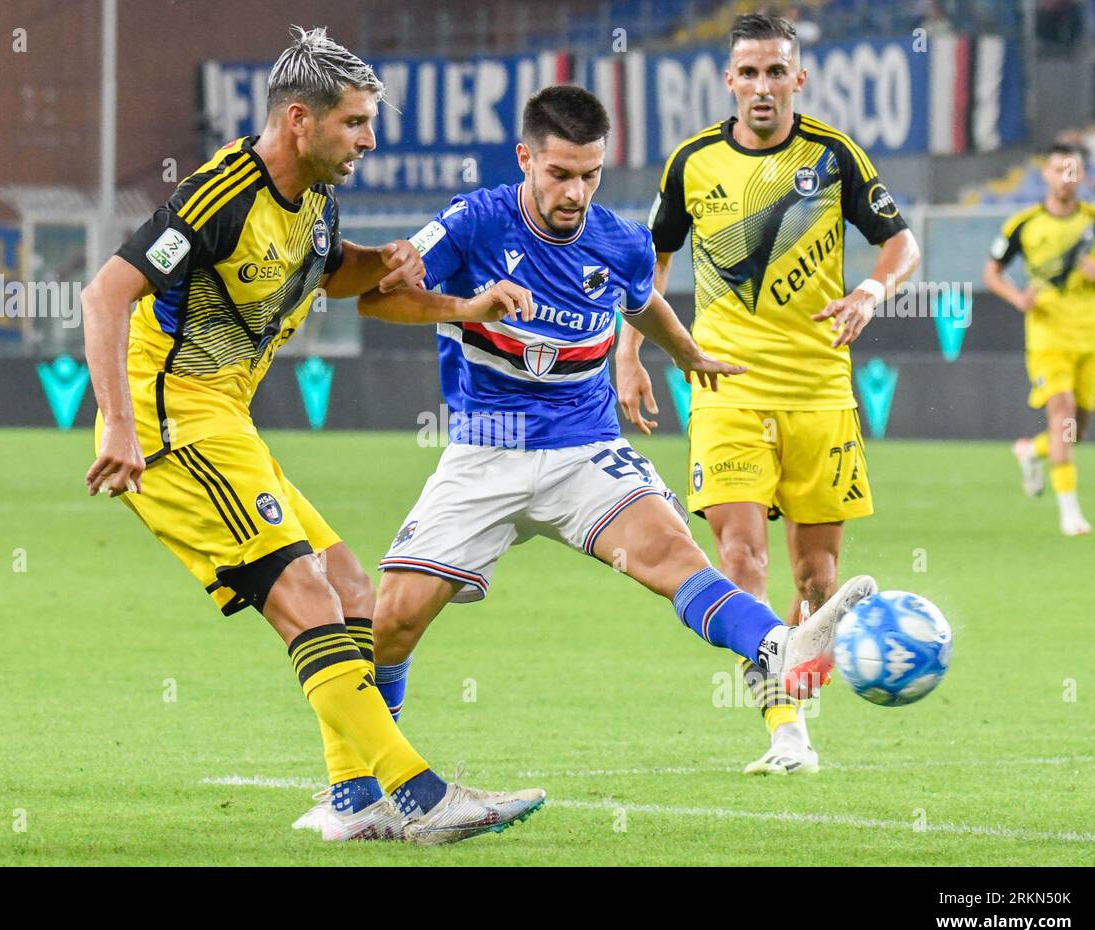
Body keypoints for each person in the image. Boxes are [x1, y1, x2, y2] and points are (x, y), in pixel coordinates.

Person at [292, 83, 879, 836]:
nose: (575, 192)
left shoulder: (621, 240)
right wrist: (469, 308)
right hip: (486, 450)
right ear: (525, 159)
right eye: (561, 174)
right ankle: (357, 792)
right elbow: (377, 296)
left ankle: (779, 645)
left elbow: (643, 300)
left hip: (584, 447)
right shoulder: (476, 221)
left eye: (590, 175)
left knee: (672, 552)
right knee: (393, 625)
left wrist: (689, 352)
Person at [80, 26, 546, 845]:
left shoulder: (318, 201)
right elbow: (105, 295)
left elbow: (337, 277)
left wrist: (426, 283)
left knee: (352, 596)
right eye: (356, 123)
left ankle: (350, 797)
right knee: (304, 602)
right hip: (173, 425)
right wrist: (119, 422)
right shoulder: (217, 196)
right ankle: (422, 795)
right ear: (300, 119)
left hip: (226, 424)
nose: (369, 139)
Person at [617, 13, 920, 775]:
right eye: (747, 72)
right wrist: (630, 351)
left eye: (775, 71)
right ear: (728, 81)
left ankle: (796, 694)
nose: (761, 86)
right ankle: (786, 732)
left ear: (798, 78)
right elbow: (650, 262)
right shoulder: (691, 164)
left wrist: (871, 295)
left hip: (822, 392)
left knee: (816, 581)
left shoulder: (833, 155)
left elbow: (902, 241)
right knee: (741, 558)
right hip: (723, 386)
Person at [987, 141, 1095, 536]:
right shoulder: (1023, 224)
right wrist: (1018, 298)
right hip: (1047, 336)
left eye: (1073, 170)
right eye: (1059, 169)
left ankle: (1031, 450)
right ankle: (1070, 513)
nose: (1066, 177)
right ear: (1046, 173)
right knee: (1061, 413)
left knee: (1075, 430)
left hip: (1090, 335)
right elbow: (992, 272)